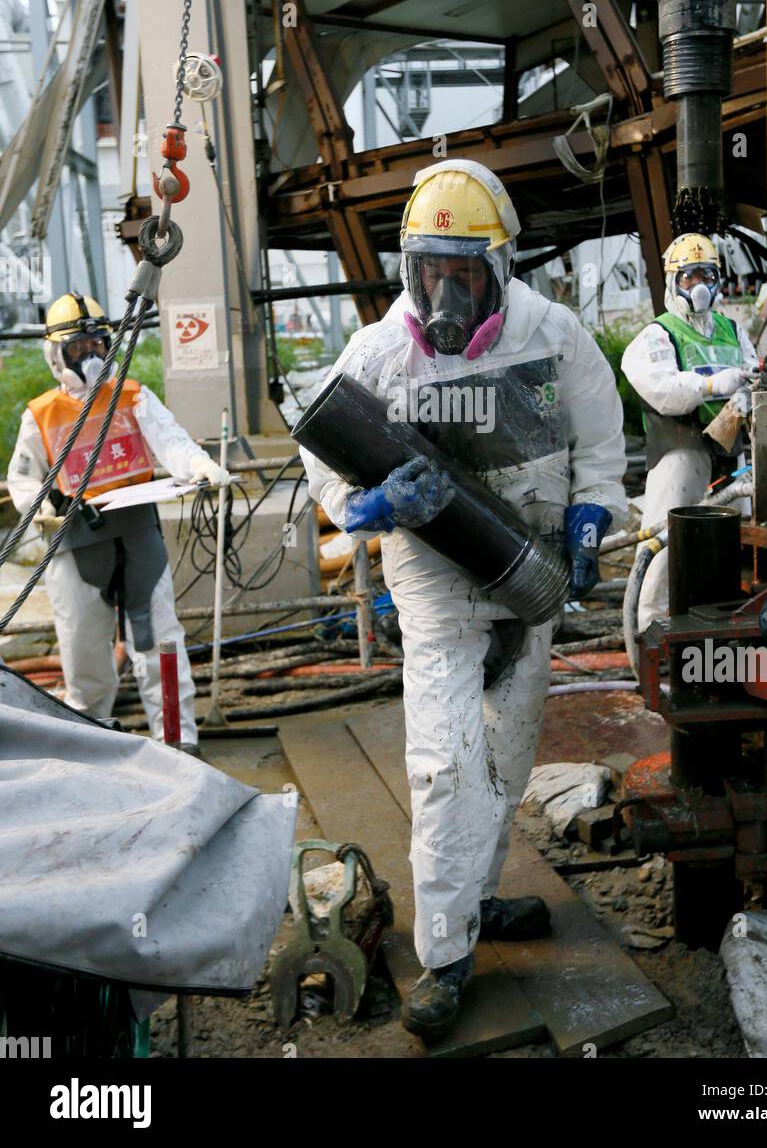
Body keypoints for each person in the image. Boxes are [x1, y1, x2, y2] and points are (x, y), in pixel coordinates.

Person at [300, 160, 628, 1040]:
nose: (446, 293)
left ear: (501, 266)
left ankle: (475, 904)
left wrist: (591, 518)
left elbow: (600, 441)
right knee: (445, 764)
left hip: (529, 574)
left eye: (465, 273)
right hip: (438, 582)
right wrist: (367, 509)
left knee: (505, 762)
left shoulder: (553, 336)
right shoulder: (379, 353)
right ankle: (445, 955)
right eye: (430, 271)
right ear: (410, 268)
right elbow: (325, 466)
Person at [6, 292, 230, 750]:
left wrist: (199, 466)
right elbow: (22, 477)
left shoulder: (131, 396)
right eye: (77, 349)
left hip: (137, 535)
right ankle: (91, 745)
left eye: (96, 346)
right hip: (75, 542)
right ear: (56, 355)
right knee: (83, 653)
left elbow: (172, 441)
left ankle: (177, 741)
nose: (89, 357)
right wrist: (42, 512)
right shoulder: (41, 414)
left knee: (158, 642)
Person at [621, 233, 758, 631]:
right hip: (681, 456)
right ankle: (649, 640)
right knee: (663, 552)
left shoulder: (733, 330)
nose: (700, 286)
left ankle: (715, 638)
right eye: (689, 276)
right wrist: (713, 385)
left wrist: (749, 391)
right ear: (673, 282)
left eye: (708, 275)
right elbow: (662, 390)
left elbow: (753, 372)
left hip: (731, 457)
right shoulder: (657, 335)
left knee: (730, 551)